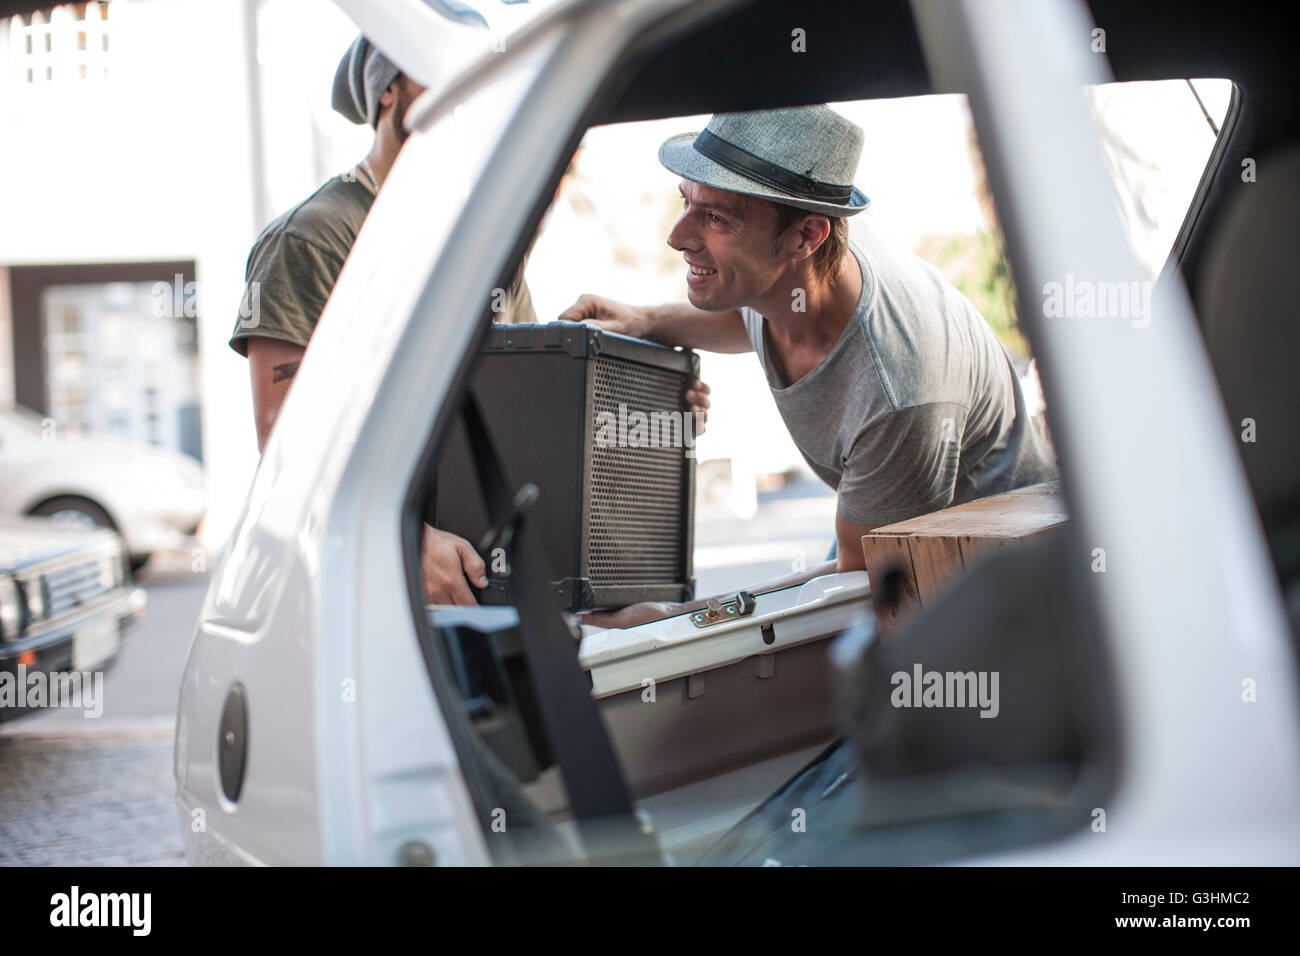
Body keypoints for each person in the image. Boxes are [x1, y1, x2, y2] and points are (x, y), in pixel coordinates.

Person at [565, 105, 1056, 628]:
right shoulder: (798, 273)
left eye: (715, 217)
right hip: (877, 534)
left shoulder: (896, 389)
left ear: (807, 236)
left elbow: (854, 582)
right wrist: (646, 321)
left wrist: (669, 619)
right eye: (686, 202)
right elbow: (754, 311)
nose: (678, 236)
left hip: (994, 590)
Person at [229, 35, 535, 605]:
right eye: (450, 76)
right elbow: (283, 436)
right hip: (362, 587)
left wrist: (636, 399)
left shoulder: (490, 241)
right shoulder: (312, 238)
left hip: (482, 573)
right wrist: (406, 541)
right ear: (389, 91)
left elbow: (529, 391)